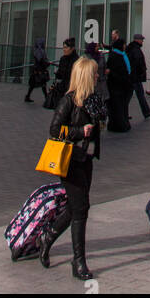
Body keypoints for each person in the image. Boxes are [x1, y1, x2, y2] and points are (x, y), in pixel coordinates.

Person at [39, 55, 99, 279]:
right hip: (70, 160)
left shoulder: (92, 100)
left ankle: (47, 237)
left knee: (76, 207)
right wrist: (79, 132)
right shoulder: (68, 101)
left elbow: (99, 123)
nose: (97, 76)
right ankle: (79, 261)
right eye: (94, 73)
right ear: (85, 76)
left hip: (87, 158)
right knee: (81, 208)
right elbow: (54, 130)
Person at [106, 36, 133, 131]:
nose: (125, 46)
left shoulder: (121, 55)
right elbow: (116, 71)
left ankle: (120, 124)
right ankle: (120, 125)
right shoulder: (116, 56)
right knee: (118, 107)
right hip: (117, 86)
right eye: (124, 44)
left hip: (120, 86)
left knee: (120, 107)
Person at [126, 34, 150, 119]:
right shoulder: (136, 49)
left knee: (129, 95)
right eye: (141, 40)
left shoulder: (131, 48)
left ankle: (124, 112)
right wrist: (141, 71)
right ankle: (146, 112)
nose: (142, 41)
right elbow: (137, 62)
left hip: (132, 76)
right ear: (137, 40)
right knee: (139, 95)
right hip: (135, 76)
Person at [24, 38, 50, 103]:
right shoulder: (40, 51)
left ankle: (28, 96)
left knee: (35, 84)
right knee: (42, 84)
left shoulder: (37, 51)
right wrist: (46, 63)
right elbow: (40, 61)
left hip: (37, 70)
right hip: (39, 70)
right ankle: (46, 97)